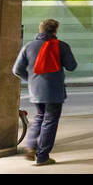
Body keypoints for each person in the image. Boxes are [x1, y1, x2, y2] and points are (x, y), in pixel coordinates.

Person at [12, 18, 77, 165]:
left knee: (40, 117)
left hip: (36, 90)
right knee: (50, 121)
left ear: (40, 30)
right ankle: (43, 157)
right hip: (54, 91)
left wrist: (31, 80)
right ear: (55, 30)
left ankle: (30, 145)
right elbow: (72, 66)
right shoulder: (61, 46)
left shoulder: (29, 46)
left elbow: (16, 69)